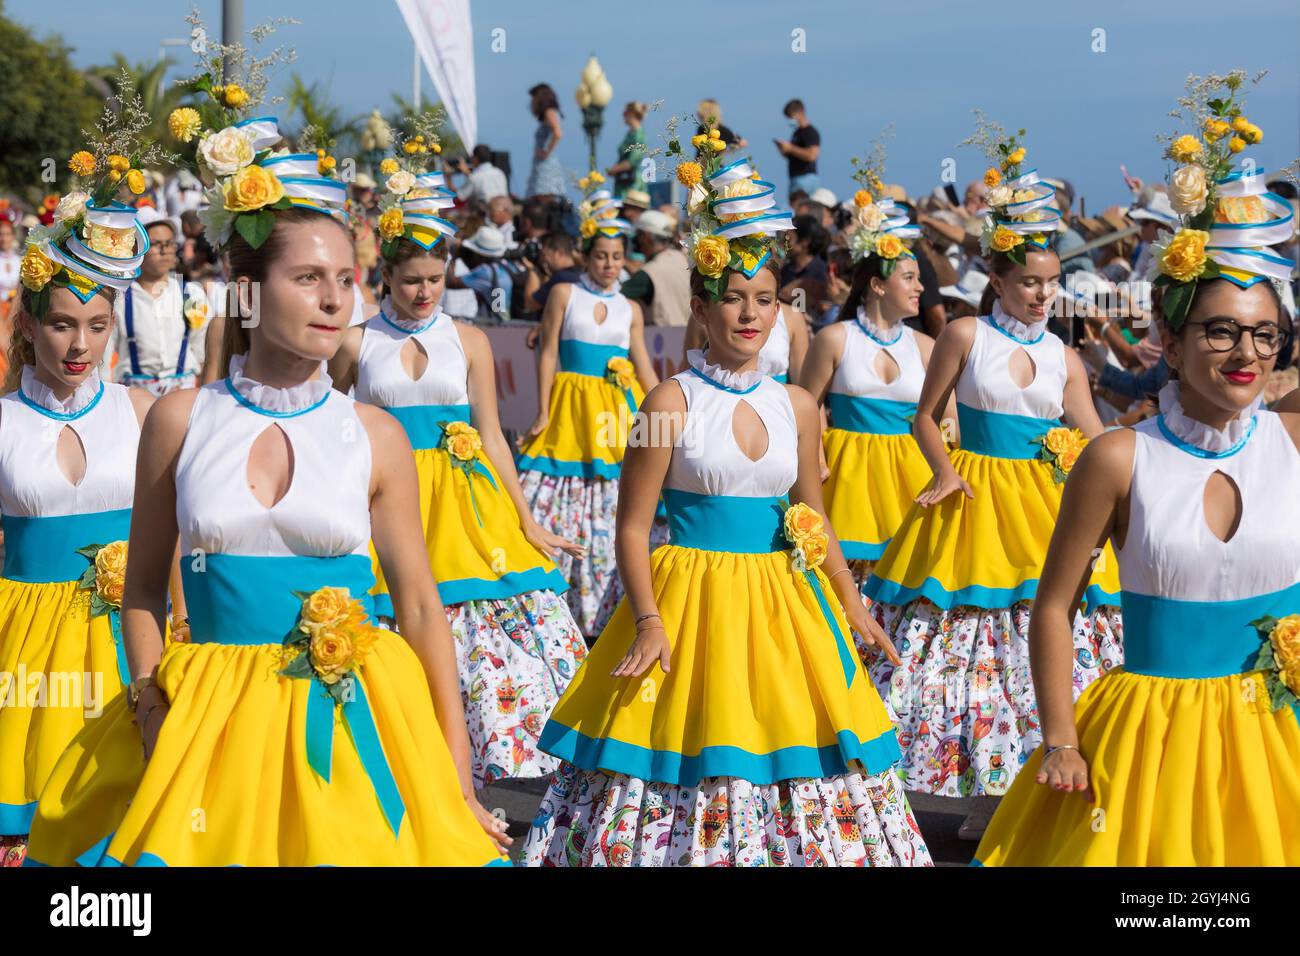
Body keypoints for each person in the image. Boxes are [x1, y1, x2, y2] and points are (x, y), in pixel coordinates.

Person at [23, 105, 510, 867]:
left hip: (359, 728)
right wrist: (152, 710)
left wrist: (456, 773)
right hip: (207, 731)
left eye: (346, 280)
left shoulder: (375, 435)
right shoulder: (181, 420)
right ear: (246, 287)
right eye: (308, 277)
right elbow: (144, 587)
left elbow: (419, 606)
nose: (334, 300)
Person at [523, 141, 930, 866]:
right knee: (684, 758)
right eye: (734, 298)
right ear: (704, 308)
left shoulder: (801, 407)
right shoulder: (666, 400)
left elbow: (813, 519)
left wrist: (853, 604)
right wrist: (647, 619)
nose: (751, 314)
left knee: (792, 752)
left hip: (785, 604)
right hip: (689, 605)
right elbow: (632, 526)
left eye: (766, 300)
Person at [977, 92, 1299, 862]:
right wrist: (1059, 739)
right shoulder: (1121, 458)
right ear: (1168, 337)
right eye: (1220, 330)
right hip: (1153, 744)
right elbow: (1052, 607)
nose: (1246, 354)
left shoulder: (1294, 439)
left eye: (1264, 333)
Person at [862, 129, 1123, 838]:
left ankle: (1011, 796)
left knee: (1042, 631)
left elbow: (1096, 439)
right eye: (1029, 282)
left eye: (1050, 283)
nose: (1043, 294)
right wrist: (945, 472)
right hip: (974, 501)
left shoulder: (1065, 356)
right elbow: (924, 417)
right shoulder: (967, 336)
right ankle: (968, 789)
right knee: (964, 644)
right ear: (998, 280)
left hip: (1046, 503)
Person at [331, 149, 588, 790]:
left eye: (434, 278)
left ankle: (478, 760)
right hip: (385, 498)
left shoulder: (467, 339)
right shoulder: (357, 342)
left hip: (469, 508)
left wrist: (527, 520)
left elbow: (495, 439)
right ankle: (402, 752)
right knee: (398, 613)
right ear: (384, 273)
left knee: (486, 622)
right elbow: (332, 433)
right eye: (411, 279)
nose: (424, 291)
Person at [0, 156, 159, 867]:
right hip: (23, 660)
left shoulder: (144, 411)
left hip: (130, 648)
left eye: (97, 326)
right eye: (63, 325)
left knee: (126, 825)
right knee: (27, 829)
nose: (81, 345)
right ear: (29, 326)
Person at [516, 187, 658, 638]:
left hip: (616, 411)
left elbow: (643, 363)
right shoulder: (564, 294)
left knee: (612, 497)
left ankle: (607, 608)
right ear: (586, 254)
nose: (609, 264)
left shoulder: (630, 307)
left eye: (617, 256)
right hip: (570, 407)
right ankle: (555, 597)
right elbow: (547, 353)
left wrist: (670, 416)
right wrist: (542, 409)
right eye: (601, 256)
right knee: (556, 492)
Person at [804, 178, 950, 590]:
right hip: (846, 475)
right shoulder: (835, 338)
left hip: (911, 471)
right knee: (842, 576)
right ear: (878, 284)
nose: (921, 287)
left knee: (904, 574)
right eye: (909, 277)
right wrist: (815, 457)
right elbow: (807, 404)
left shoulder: (925, 346)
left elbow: (948, 413)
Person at [109, 207, 206, 396]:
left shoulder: (191, 294)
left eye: (169, 243)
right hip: (135, 395)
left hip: (183, 394)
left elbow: (201, 350)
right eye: (156, 244)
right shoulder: (119, 298)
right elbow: (105, 358)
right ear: (136, 248)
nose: (165, 250)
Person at [621, 210, 690, 327]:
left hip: (661, 341)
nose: (636, 241)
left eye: (638, 235)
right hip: (686, 338)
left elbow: (616, 296)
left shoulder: (649, 272)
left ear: (646, 237)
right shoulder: (680, 259)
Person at [448, 226, 513, 321]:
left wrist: (453, 257)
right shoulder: (502, 267)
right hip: (504, 319)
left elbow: (451, 282)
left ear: (479, 254)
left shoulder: (484, 272)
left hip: (492, 323)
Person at [526, 83, 566, 199]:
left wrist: (547, 151)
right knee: (540, 198)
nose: (531, 102)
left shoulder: (549, 111)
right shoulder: (549, 113)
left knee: (543, 198)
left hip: (546, 166)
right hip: (543, 164)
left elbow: (557, 133)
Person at [777, 98, 821, 200]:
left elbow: (812, 155)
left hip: (805, 179)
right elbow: (793, 154)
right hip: (796, 178)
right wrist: (784, 150)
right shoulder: (796, 133)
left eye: (791, 116)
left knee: (802, 210)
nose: (789, 120)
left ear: (800, 113)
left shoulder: (810, 132)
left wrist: (791, 148)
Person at [607, 101, 648, 199]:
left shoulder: (638, 135)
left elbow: (632, 161)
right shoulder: (631, 134)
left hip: (631, 184)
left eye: (625, 113)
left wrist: (613, 169)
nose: (623, 116)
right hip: (623, 181)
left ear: (632, 114)